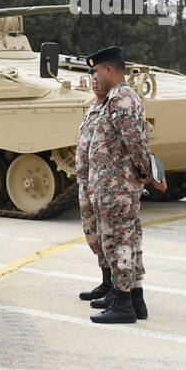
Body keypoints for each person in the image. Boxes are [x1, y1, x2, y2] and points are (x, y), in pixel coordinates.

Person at [85, 46, 166, 324]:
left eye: (96, 70)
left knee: (119, 243)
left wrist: (146, 172)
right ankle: (135, 300)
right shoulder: (115, 100)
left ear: (109, 70)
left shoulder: (121, 100)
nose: (93, 76)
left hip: (116, 188)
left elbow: (136, 142)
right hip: (112, 186)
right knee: (126, 242)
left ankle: (123, 305)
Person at [76, 68, 111, 302]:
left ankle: (117, 290)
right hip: (87, 185)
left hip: (105, 184)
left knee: (110, 237)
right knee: (94, 237)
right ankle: (106, 282)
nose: (95, 83)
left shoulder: (114, 107)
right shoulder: (92, 108)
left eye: (99, 78)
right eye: (92, 79)